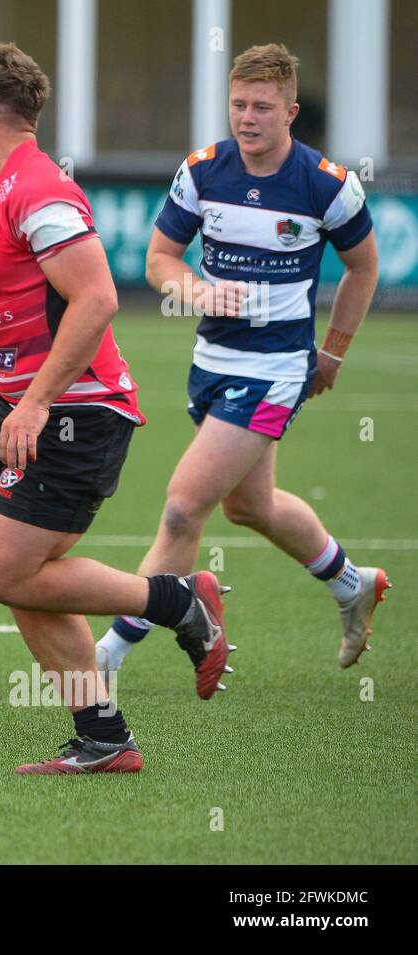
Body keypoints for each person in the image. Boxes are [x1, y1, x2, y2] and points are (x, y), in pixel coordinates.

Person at [0, 41, 230, 775]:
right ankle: (103, 736)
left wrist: (38, 402)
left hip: (74, 410)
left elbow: (96, 298)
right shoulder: (0, 190)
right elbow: (21, 315)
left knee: (3, 570)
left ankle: (178, 601)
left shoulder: (38, 189)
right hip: (22, 406)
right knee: (25, 579)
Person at [95, 43, 387, 685]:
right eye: (238, 104)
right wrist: (198, 291)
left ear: (291, 111)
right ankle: (351, 585)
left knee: (182, 507)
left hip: (276, 369)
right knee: (249, 506)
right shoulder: (203, 172)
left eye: (262, 106)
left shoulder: (327, 184)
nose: (247, 118)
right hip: (211, 362)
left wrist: (332, 351)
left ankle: (109, 655)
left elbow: (364, 267)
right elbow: (158, 262)